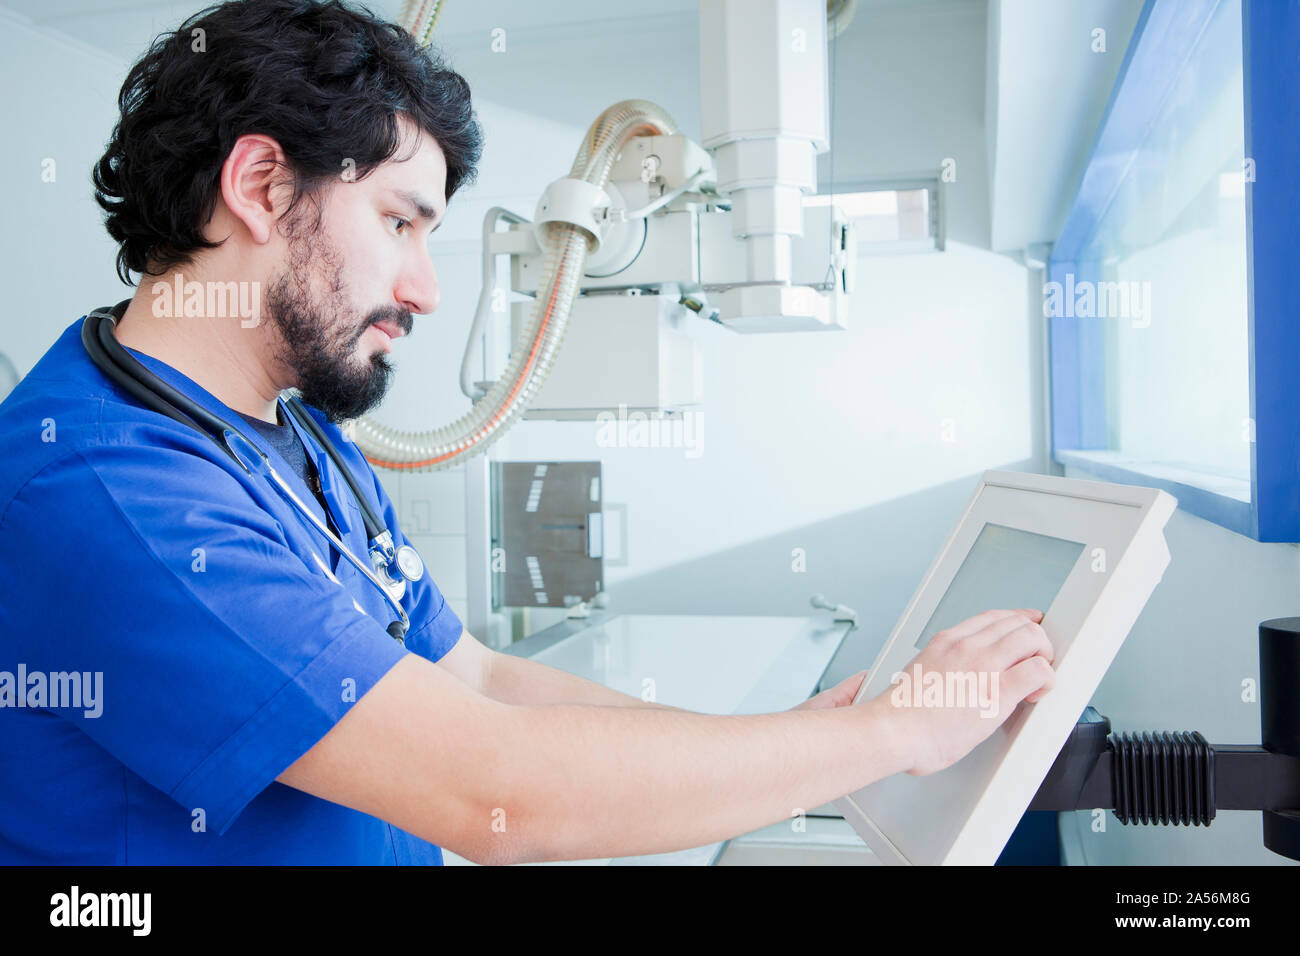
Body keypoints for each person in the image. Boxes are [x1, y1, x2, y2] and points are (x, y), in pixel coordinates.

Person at [0, 0, 1056, 865]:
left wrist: (807, 738)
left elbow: (481, 681)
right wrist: (887, 735)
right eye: (399, 221)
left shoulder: (299, 436)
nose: (421, 287)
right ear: (261, 187)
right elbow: (489, 785)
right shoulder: (100, 488)